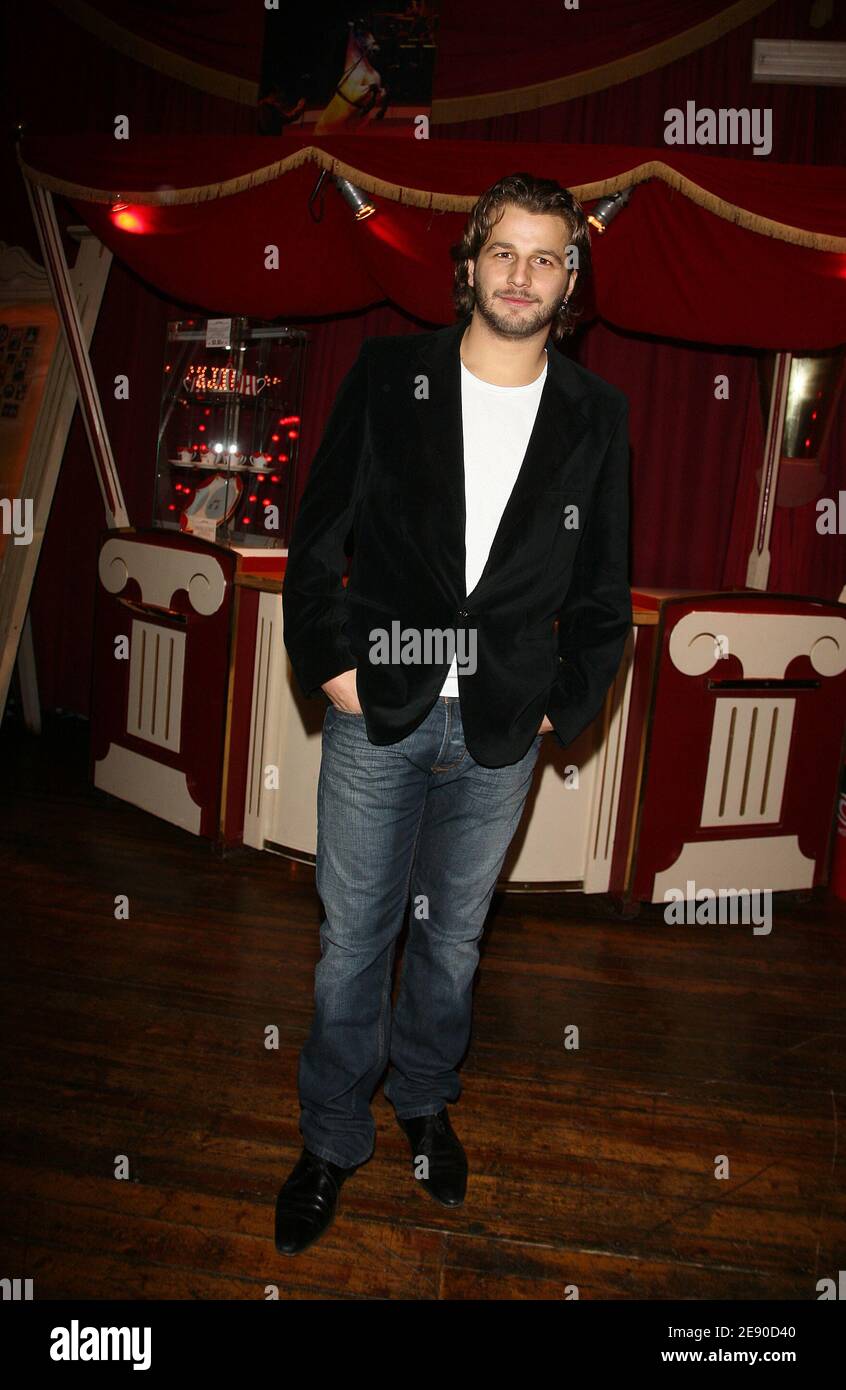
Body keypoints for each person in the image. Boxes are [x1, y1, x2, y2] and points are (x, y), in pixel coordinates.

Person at [276, 172, 632, 1255]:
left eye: (547, 257)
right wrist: (333, 666)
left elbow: (604, 588)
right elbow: (315, 534)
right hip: (376, 708)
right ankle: (332, 1136)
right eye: (505, 251)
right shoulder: (390, 376)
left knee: (454, 941)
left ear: (570, 280)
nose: (522, 274)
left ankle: (425, 1101)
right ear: (468, 264)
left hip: (498, 731)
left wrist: (554, 709)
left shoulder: (595, 413)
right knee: (352, 943)